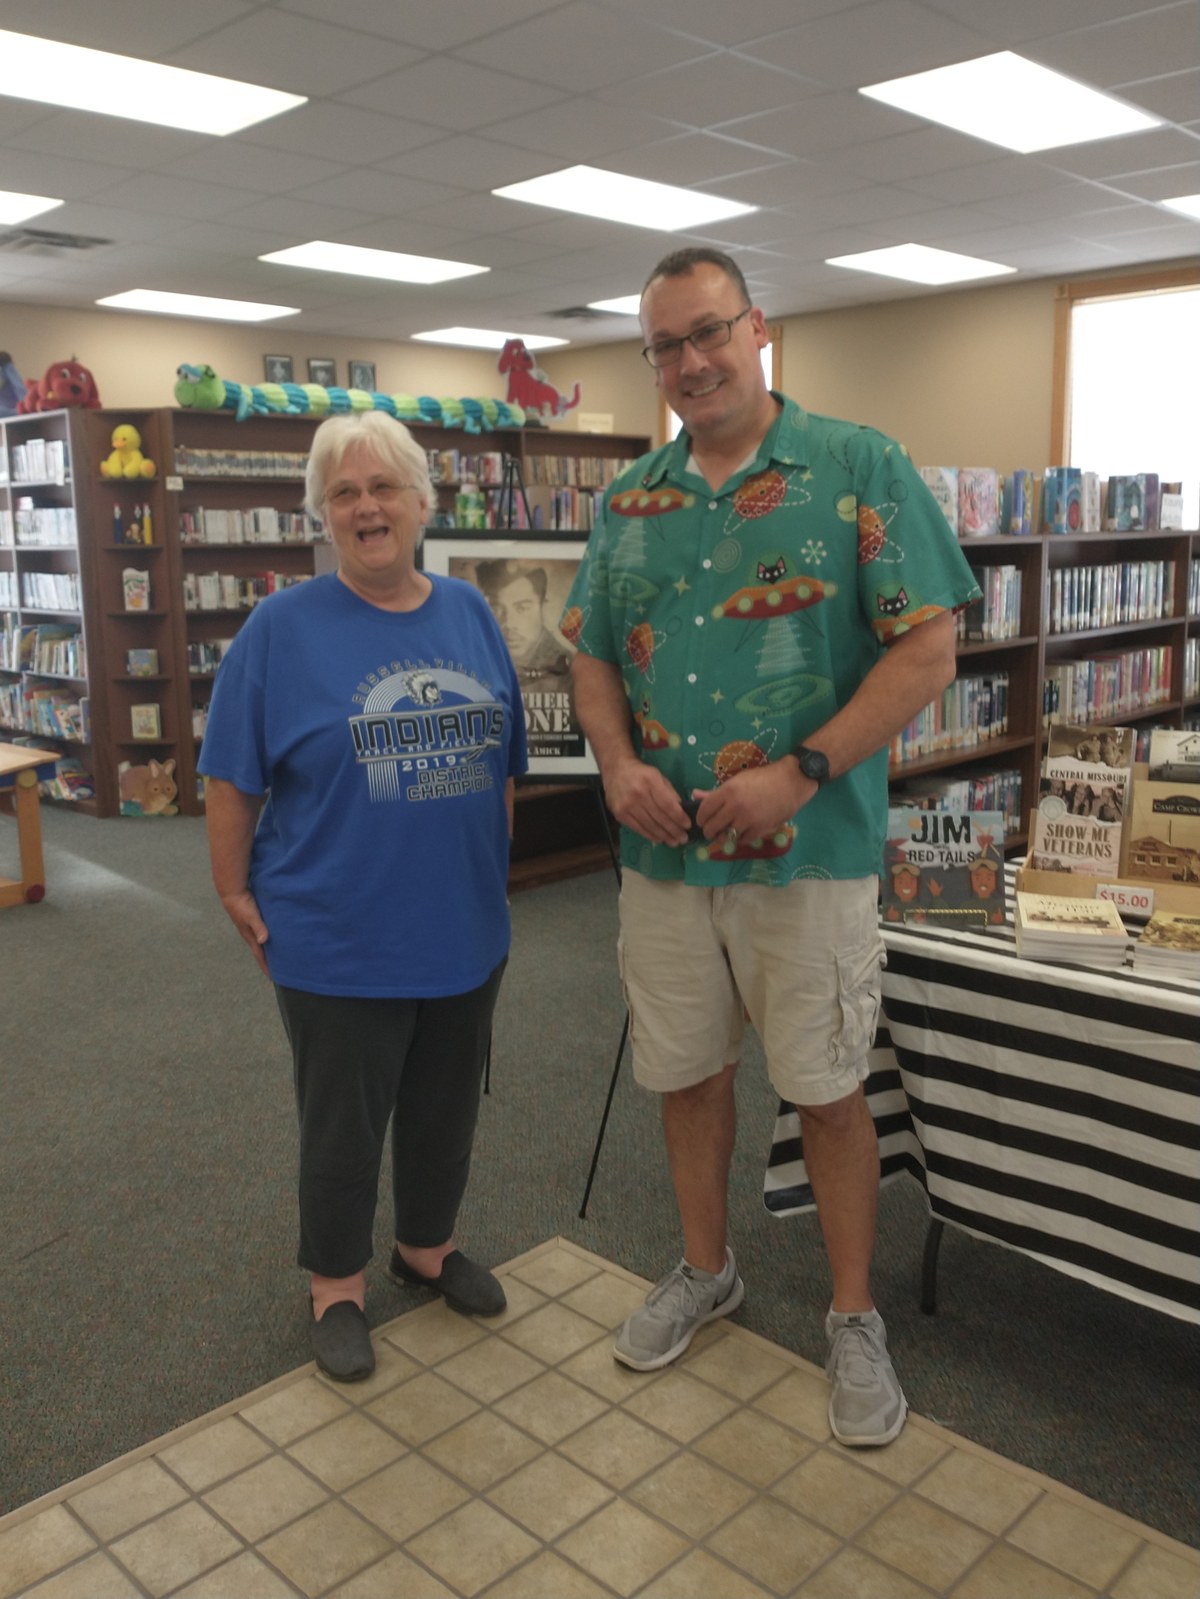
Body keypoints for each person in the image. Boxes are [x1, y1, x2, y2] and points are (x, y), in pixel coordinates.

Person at [564, 246, 980, 1447]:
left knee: (830, 1090)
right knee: (687, 1076)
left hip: (809, 855)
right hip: (665, 860)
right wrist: (615, 765)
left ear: (759, 329)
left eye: (709, 333)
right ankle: (709, 1269)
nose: (690, 362)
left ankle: (854, 1318)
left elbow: (927, 652)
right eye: (666, 346)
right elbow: (590, 650)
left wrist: (800, 771)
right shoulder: (630, 497)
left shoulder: (859, 468)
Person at [199, 410, 527, 1383]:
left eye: (385, 487)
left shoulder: (469, 612)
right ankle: (335, 1284)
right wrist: (230, 886)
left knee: (443, 1109)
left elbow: (501, 757)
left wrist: (491, 878)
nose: (367, 507)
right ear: (322, 515)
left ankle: (426, 1246)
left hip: (464, 928)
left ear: (424, 502)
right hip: (336, 934)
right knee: (342, 1125)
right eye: (344, 493)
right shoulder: (280, 629)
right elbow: (231, 774)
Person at [475, 559, 573, 685]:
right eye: (496, 609)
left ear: (543, 607)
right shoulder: (477, 660)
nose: (509, 623)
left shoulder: (569, 670)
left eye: (522, 608)